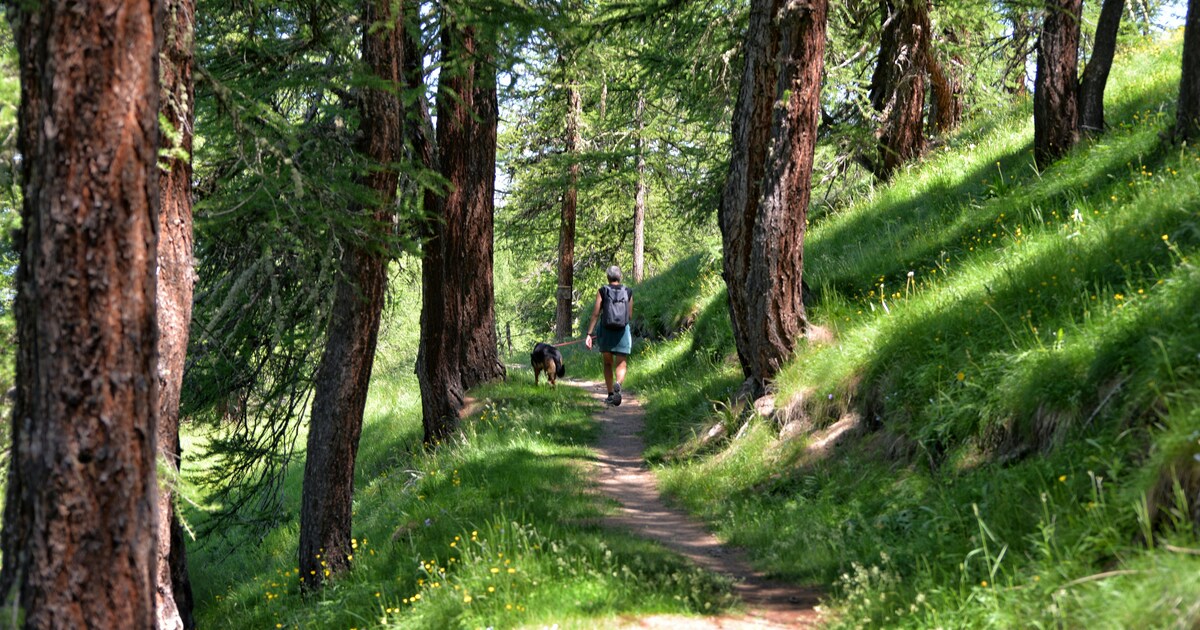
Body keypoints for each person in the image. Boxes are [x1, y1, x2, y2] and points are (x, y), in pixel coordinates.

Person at [584, 266, 634, 406]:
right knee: (621, 363)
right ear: (620, 277)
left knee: (607, 363)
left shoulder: (603, 291)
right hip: (622, 331)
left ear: (608, 277)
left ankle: (611, 394)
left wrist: (589, 334)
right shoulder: (628, 292)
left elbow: (595, 314)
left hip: (606, 331)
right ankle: (618, 384)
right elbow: (630, 315)